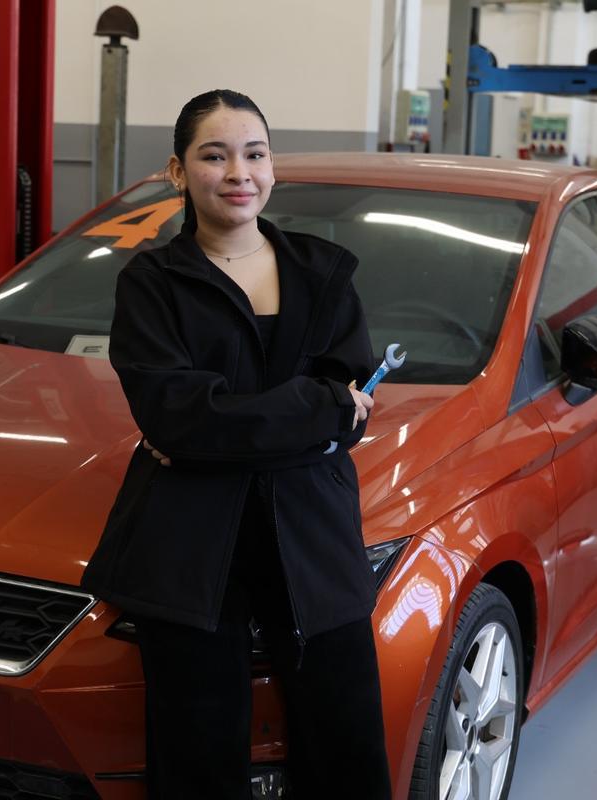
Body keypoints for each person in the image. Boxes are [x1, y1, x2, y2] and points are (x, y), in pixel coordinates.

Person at [80, 89, 392, 800]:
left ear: (272, 166)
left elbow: (351, 416)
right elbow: (176, 418)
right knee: (196, 752)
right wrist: (312, 409)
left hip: (312, 534)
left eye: (254, 154)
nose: (238, 173)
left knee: (344, 740)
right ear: (178, 170)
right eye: (214, 156)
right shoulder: (152, 284)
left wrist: (222, 428)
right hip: (188, 543)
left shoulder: (324, 273)